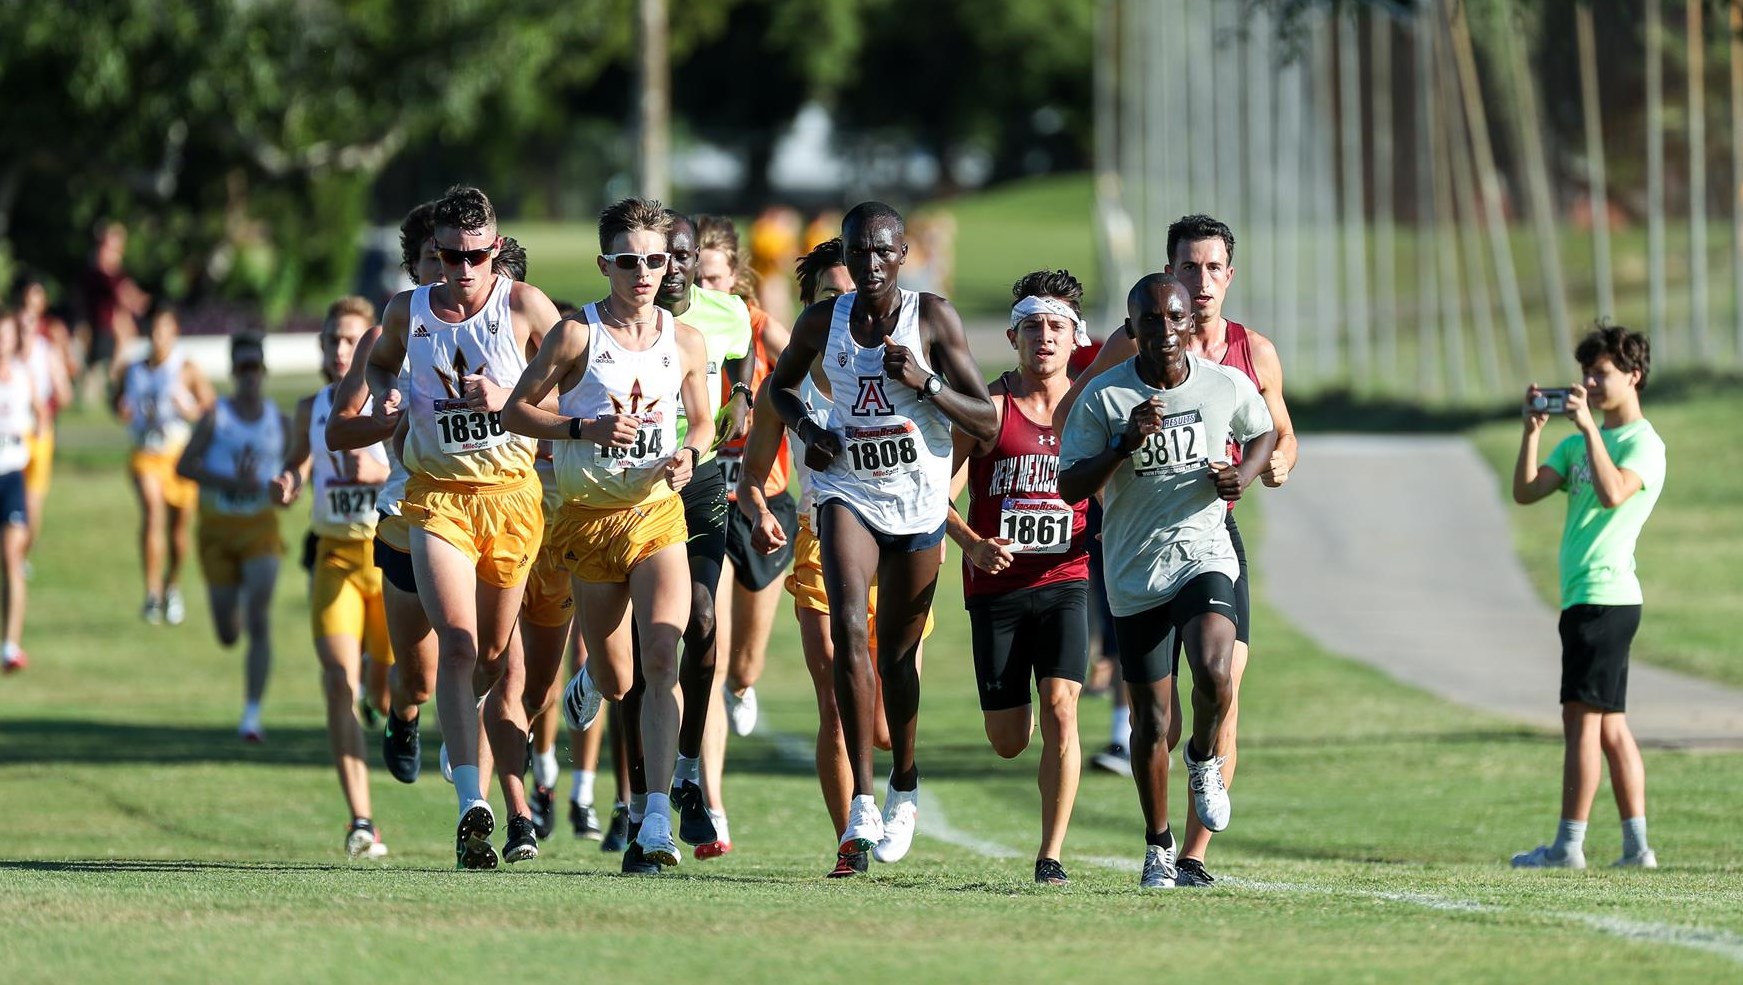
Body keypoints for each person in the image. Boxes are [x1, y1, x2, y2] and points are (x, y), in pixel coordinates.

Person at [1055, 214, 1298, 887]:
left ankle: (1202, 769)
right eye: (1152, 316)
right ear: (1133, 325)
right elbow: (1070, 475)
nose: (1167, 325)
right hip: (1133, 561)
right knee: (1151, 718)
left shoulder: (1231, 372)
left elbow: (1267, 434)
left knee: (1219, 672)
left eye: (1209, 270)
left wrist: (1243, 477)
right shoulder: (1109, 389)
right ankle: (1158, 843)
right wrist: (1120, 446)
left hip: (1207, 545)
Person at [767, 202, 997, 870]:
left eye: (882, 253)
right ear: (844, 251)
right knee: (846, 626)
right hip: (848, 492)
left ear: (903, 257)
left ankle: (904, 781)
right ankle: (862, 802)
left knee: (896, 658)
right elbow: (780, 389)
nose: (869, 265)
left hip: (919, 505)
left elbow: (982, 420)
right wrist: (811, 432)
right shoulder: (824, 319)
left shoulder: (931, 318)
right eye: (859, 252)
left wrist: (922, 381)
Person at [503, 196, 715, 871]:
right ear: (604, 264)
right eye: (629, 261)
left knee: (661, 656)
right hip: (588, 521)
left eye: (655, 260)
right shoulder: (575, 335)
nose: (644, 272)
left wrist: (690, 455)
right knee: (621, 676)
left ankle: (654, 820)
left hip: (656, 513)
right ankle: (593, 674)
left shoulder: (684, 341)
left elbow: (705, 422)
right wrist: (579, 428)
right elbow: (515, 411)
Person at [365, 185, 561, 869]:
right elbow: (380, 359)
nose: (462, 268)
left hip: (511, 496)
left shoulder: (526, 308)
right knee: (456, 641)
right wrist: (384, 389)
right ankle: (471, 803)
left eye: (476, 255)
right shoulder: (407, 309)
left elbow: (570, 398)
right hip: (437, 495)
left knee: (493, 655)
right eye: (449, 255)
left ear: (497, 250)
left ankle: (472, 742)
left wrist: (511, 400)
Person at [946, 270, 1092, 886]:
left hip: (1067, 576)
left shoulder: (1092, 407)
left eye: (1057, 326)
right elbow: (934, 496)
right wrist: (973, 544)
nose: (1045, 337)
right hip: (998, 589)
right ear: (1012, 335)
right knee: (1008, 739)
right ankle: (1015, 718)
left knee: (1062, 707)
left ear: (1075, 336)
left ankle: (1050, 854)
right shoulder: (989, 410)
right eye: (1033, 326)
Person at [1510, 325, 1664, 870]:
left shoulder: (1643, 443)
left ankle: (1568, 846)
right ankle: (1635, 848)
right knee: (1612, 726)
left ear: (1633, 376)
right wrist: (1533, 432)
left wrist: (1587, 431)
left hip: (1607, 596)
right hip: (1584, 599)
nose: (1591, 384)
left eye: (1602, 374)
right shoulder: (1575, 442)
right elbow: (1526, 491)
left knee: (1582, 722)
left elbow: (1614, 491)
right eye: (1586, 375)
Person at [272, 297, 394, 858]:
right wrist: (289, 479)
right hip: (337, 561)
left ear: (369, 343)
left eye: (351, 340)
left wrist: (381, 469)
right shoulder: (312, 407)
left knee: (389, 688)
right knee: (338, 684)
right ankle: (361, 821)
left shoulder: (395, 398)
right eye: (332, 341)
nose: (340, 350)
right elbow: (300, 457)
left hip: (389, 556)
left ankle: (383, 697)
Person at [694, 214, 794, 858]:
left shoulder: (760, 329)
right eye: (692, 280)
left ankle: (744, 686)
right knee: (708, 638)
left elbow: (812, 375)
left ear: (735, 278)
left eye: (711, 279)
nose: (701, 290)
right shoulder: (673, 334)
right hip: (705, 501)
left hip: (766, 501)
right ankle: (713, 809)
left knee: (745, 663)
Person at [177, 332, 287, 741]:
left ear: (264, 371)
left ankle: (252, 716)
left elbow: (296, 470)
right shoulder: (215, 417)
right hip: (218, 531)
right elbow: (183, 466)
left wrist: (287, 487)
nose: (248, 376)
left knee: (259, 619)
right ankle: (233, 602)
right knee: (228, 633)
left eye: (254, 367)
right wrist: (227, 480)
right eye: (241, 368)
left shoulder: (279, 421)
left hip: (260, 528)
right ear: (232, 373)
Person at [115, 308, 212, 625]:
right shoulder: (134, 369)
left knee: (178, 529)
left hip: (178, 454)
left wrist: (191, 409)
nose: (158, 337)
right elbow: (117, 401)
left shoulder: (184, 368)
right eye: (154, 330)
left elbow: (211, 409)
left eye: (164, 330)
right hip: (145, 452)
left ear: (174, 332)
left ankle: (173, 586)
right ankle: (152, 592)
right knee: (152, 511)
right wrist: (122, 408)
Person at [15, 276, 74, 556]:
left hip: (38, 431)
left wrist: (44, 409)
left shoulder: (48, 342)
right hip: (11, 432)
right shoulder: (6, 345)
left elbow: (64, 393)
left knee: (32, 500)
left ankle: (21, 555)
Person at [0, 311, 46, 672]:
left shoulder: (22, 377)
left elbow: (40, 414)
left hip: (13, 475)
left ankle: (11, 645)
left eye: (6, 334)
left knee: (12, 558)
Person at [77, 221, 150, 405]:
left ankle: (110, 378)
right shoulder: (98, 272)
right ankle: (104, 379)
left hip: (112, 330)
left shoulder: (117, 273)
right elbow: (122, 295)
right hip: (101, 327)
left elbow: (129, 292)